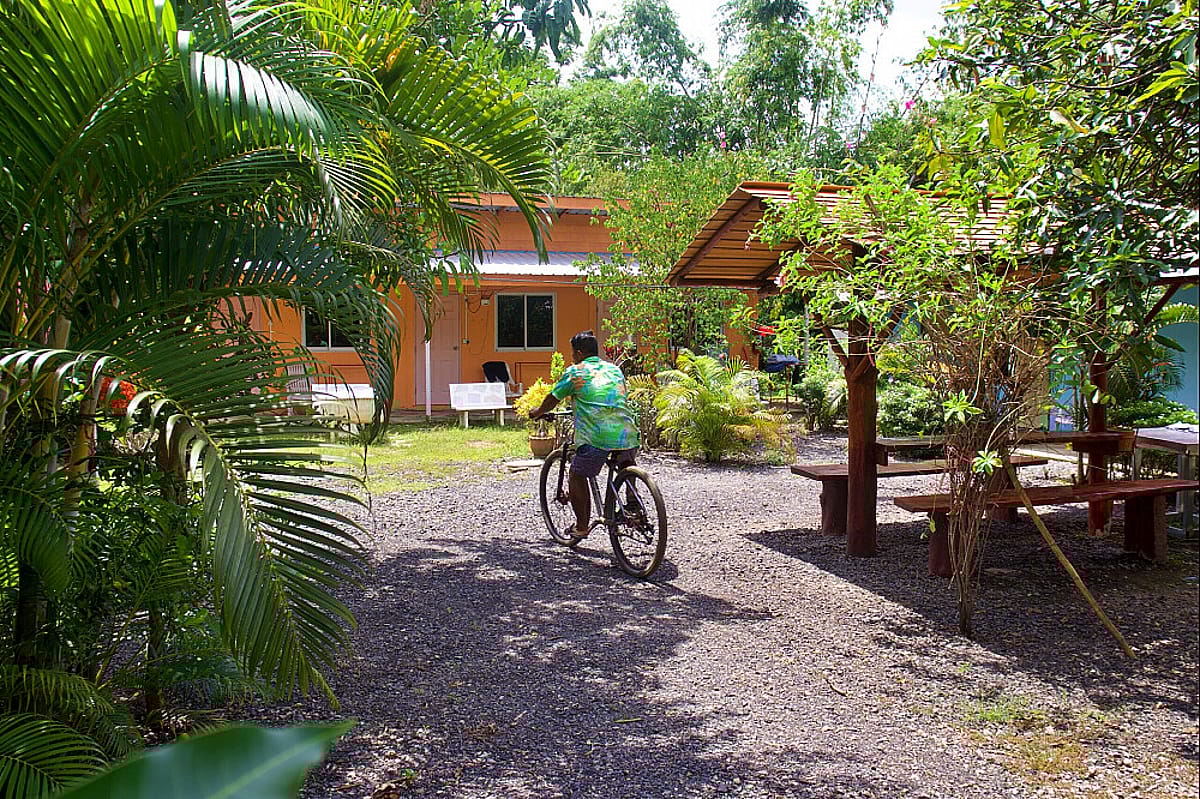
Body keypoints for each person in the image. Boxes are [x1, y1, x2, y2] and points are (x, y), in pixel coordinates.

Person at [529, 330, 640, 539]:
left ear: (579, 353)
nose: (572, 357)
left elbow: (553, 398)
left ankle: (581, 526)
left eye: (572, 354)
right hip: (627, 433)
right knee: (625, 465)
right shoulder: (614, 370)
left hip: (596, 437)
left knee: (577, 474)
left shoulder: (575, 372)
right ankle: (633, 506)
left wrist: (537, 412)